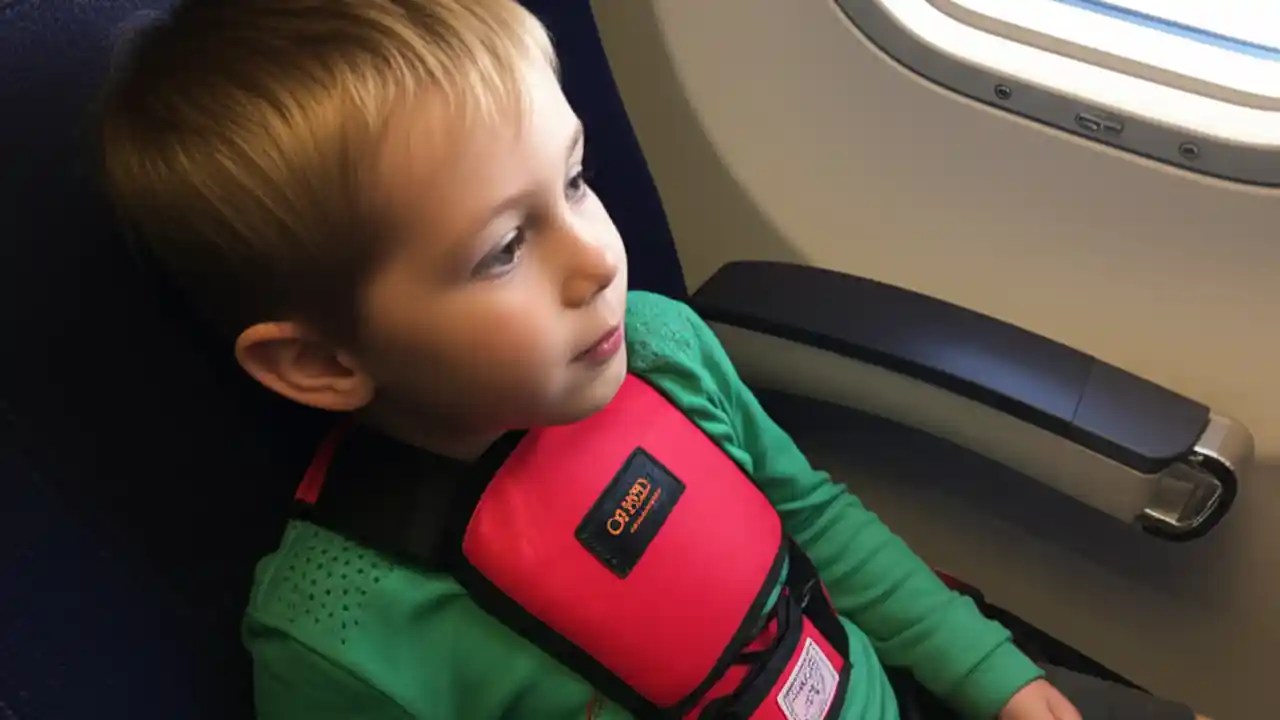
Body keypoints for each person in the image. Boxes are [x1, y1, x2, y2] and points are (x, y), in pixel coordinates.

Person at [98, 1, 1208, 718]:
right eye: (500, 249)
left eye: (574, 181)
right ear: (320, 362)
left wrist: (992, 677)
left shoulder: (663, 355)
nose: (597, 259)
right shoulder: (343, 639)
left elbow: (813, 524)